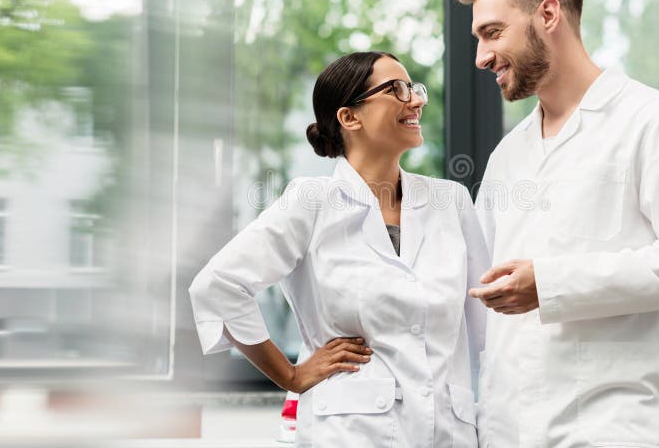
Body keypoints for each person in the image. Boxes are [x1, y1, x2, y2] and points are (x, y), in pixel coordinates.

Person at [455, 0, 659, 447]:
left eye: (493, 32)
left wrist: (552, 283)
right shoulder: (507, 157)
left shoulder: (656, 124)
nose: (481, 56)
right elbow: (476, 288)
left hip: (616, 428)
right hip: (509, 429)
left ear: (549, 14)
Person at [188, 51, 488, 448]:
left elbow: (488, 329)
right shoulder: (312, 202)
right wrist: (290, 376)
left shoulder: (451, 202)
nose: (416, 100)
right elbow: (217, 285)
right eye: (397, 90)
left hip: (450, 434)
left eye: (414, 89)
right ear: (350, 117)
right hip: (352, 433)